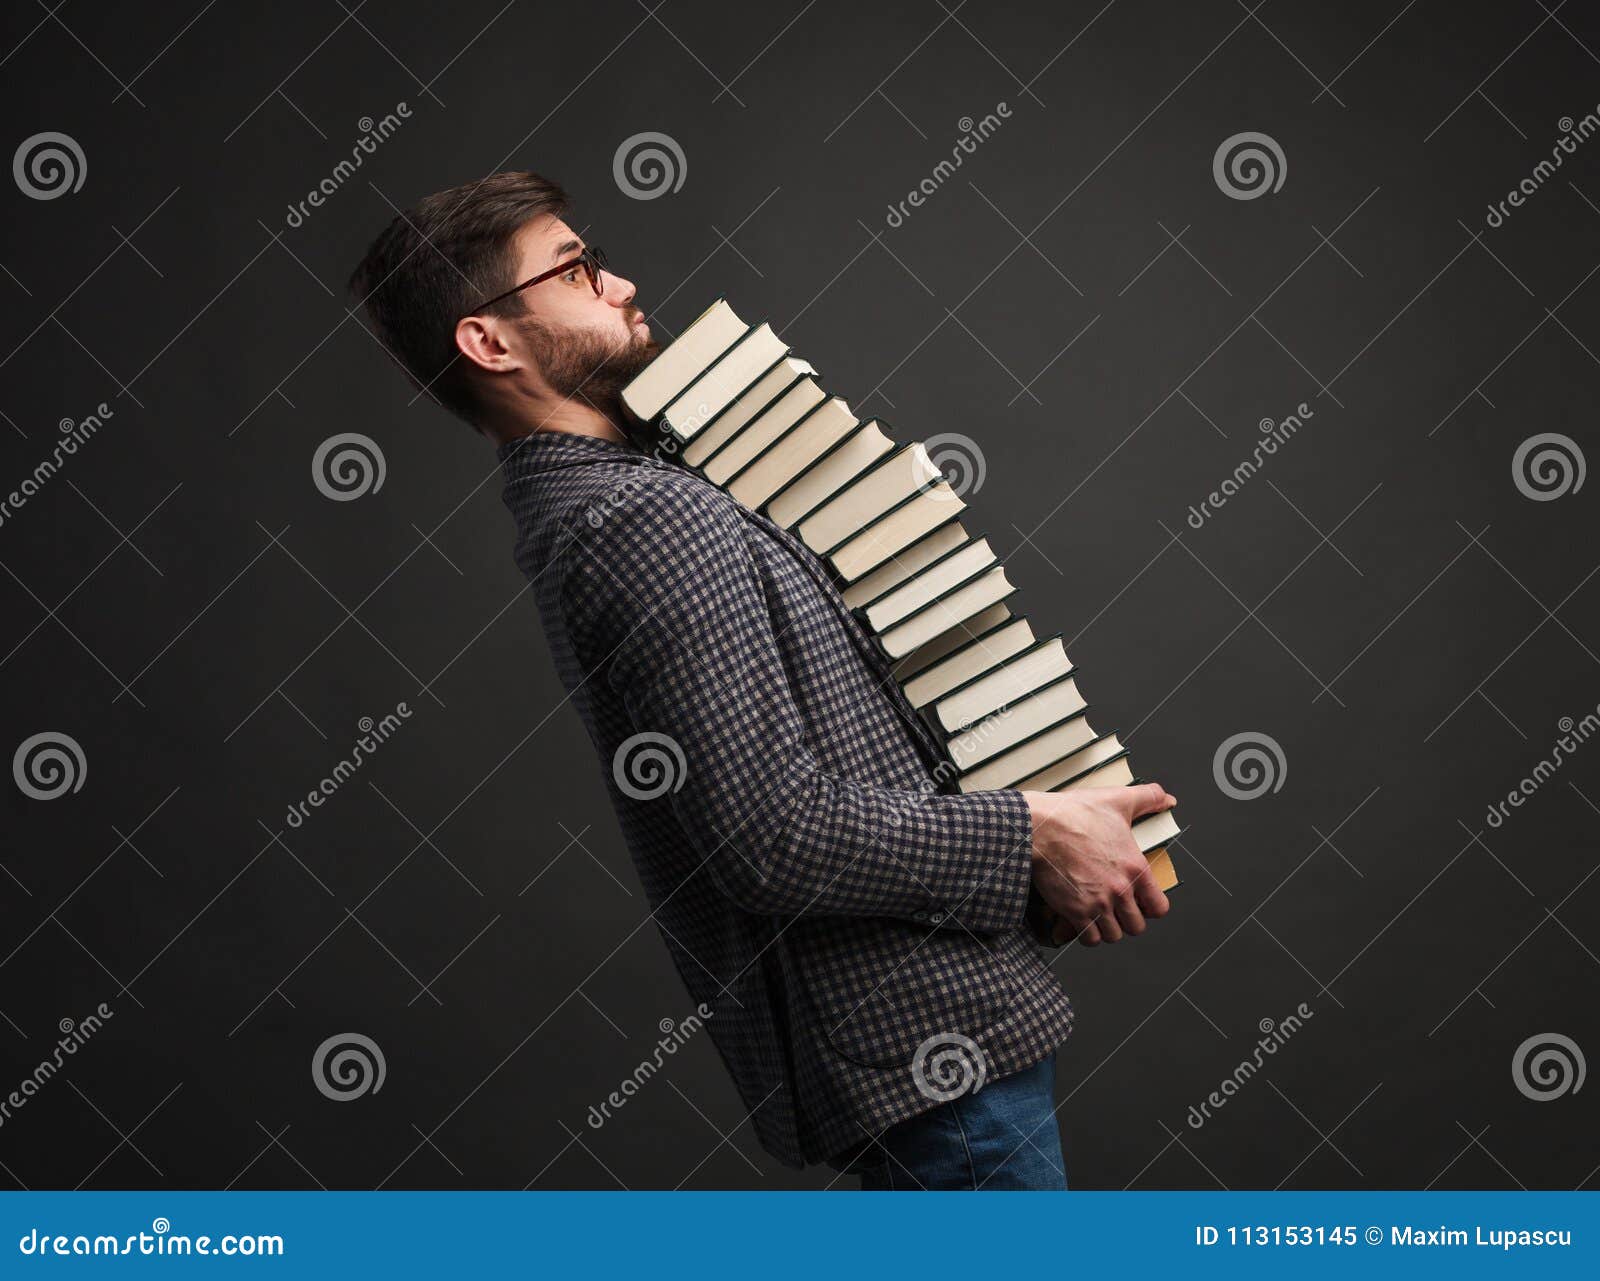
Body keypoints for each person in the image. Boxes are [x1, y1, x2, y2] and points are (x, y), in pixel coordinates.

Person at [347, 170, 1176, 1190]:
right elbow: (770, 835)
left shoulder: (625, 497)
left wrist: (1044, 832)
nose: (620, 285)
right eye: (575, 271)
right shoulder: (638, 518)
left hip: (935, 1040)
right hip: (923, 1051)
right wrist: (1035, 833)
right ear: (489, 342)